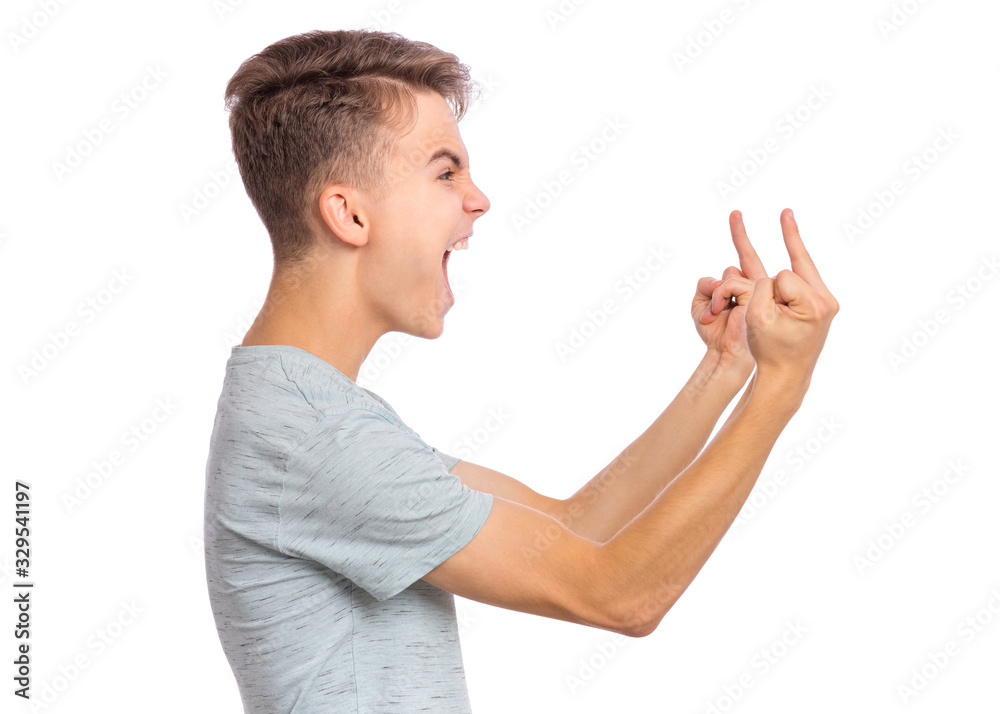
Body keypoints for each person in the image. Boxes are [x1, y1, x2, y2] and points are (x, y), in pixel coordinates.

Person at [203, 28, 839, 713]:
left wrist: (727, 364)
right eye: (445, 172)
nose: (478, 199)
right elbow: (618, 594)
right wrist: (783, 384)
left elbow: (577, 527)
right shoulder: (314, 436)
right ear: (350, 214)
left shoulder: (312, 411)